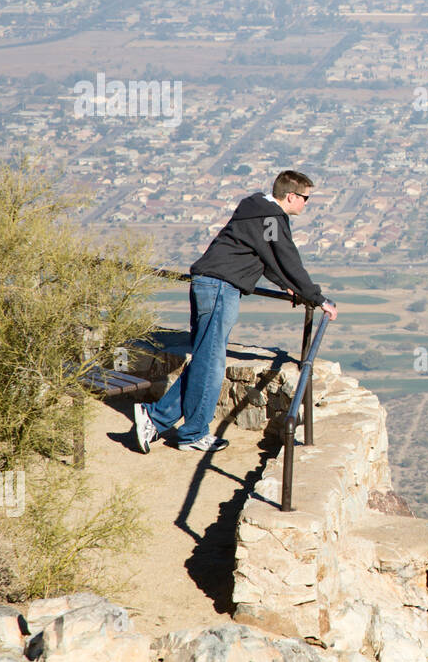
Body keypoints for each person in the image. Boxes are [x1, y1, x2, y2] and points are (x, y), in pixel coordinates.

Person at [133, 170, 338, 452]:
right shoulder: (271, 218)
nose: (306, 204)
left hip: (209, 285)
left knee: (204, 361)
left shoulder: (256, 210)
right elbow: (287, 259)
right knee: (211, 365)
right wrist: (317, 298)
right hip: (220, 289)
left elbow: (266, 258)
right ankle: (189, 432)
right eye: (305, 198)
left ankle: (156, 420)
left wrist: (290, 286)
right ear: (291, 196)